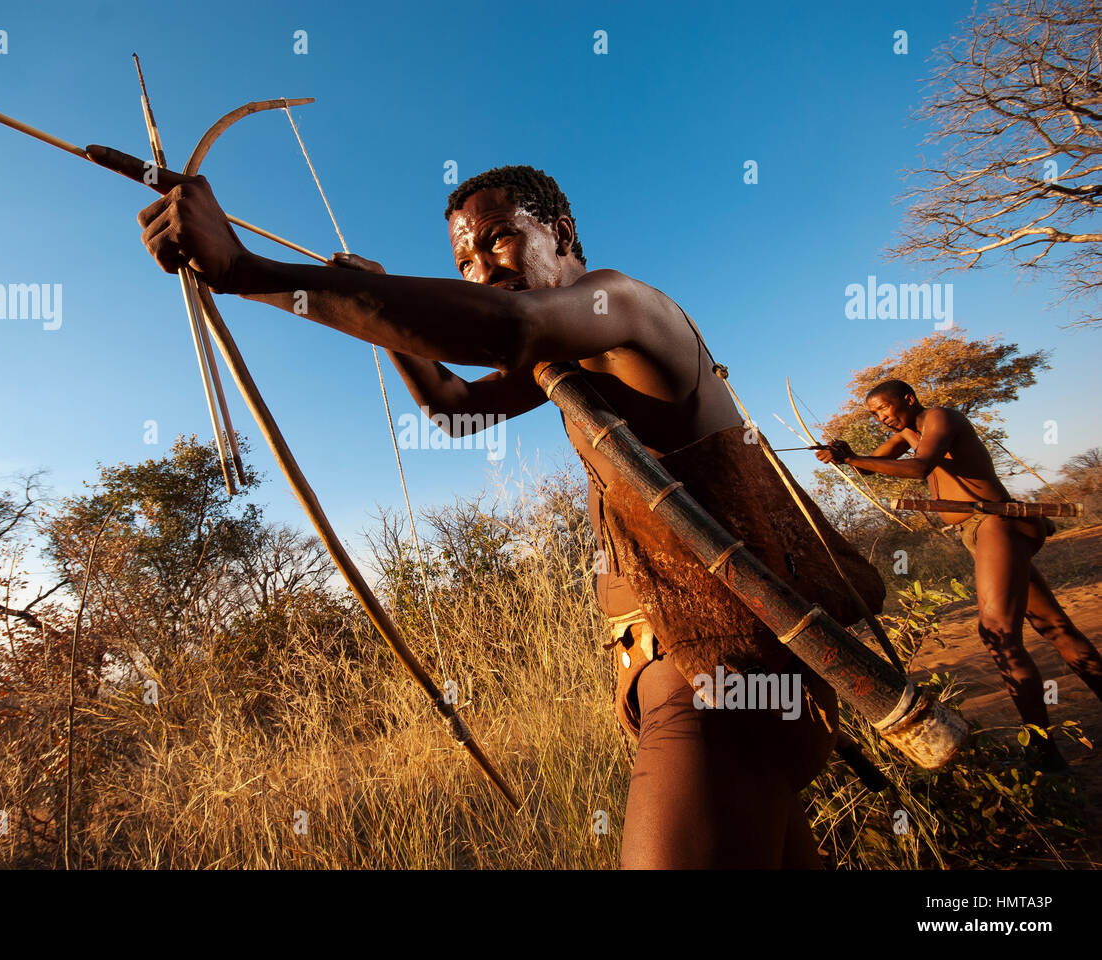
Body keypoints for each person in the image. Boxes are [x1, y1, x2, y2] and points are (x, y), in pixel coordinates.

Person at [102, 149, 884, 867]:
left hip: (719, 688)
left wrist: (244, 269)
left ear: (561, 232)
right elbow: (456, 408)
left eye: (499, 239)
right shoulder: (571, 356)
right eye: (465, 260)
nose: (483, 269)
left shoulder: (625, 307)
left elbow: (505, 329)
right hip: (698, 678)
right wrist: (390, 328)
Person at [817, 379, 1102, 771]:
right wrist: (843, 454)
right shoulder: (907, 431)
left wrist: (852, 459)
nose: (882, 418)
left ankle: (1046, 753)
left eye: (885, 408)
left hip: (996, 523)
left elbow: (919, 468)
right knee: (1055, 627)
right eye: (875, 414)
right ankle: (1049, 746)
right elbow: (872, 466)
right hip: (981, 531)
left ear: (908, 399)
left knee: (998, 634)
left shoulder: (939, 418)